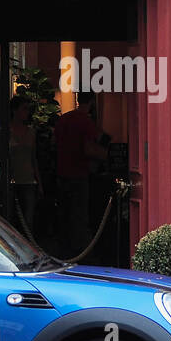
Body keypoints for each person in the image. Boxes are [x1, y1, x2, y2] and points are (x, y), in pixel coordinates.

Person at [53, 91, 107, 255]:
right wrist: (104, 154)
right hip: (79, 174)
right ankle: (81, 252)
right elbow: (90, 147)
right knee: (79, 216)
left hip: (62, 173)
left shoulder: (63, 119)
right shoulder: (86, 121)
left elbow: (54, 144)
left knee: (64, 215)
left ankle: (63, 249)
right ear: (91, 102)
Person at [8, 95, 41, 235]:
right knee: (11, 218)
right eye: (24, 109)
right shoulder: (7, 131)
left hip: (28, 180)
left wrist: (39, 182)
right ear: (15, 111)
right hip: (12, 180)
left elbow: (34, 158)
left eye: (28, 109)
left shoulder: (31, 132)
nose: (27, 112)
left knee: (28, 220)